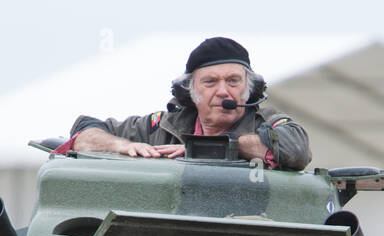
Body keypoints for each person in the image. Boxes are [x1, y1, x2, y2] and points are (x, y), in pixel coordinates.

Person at [63, 37, 311, 171]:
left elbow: (296, 151)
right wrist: (122, 146)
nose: (223, 91)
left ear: (248, 88)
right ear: (192, 91)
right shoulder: (163, 126)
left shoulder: (265, 122)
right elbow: (85, 131)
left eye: (233, 81)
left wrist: (210, 147)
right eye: (210, 82)